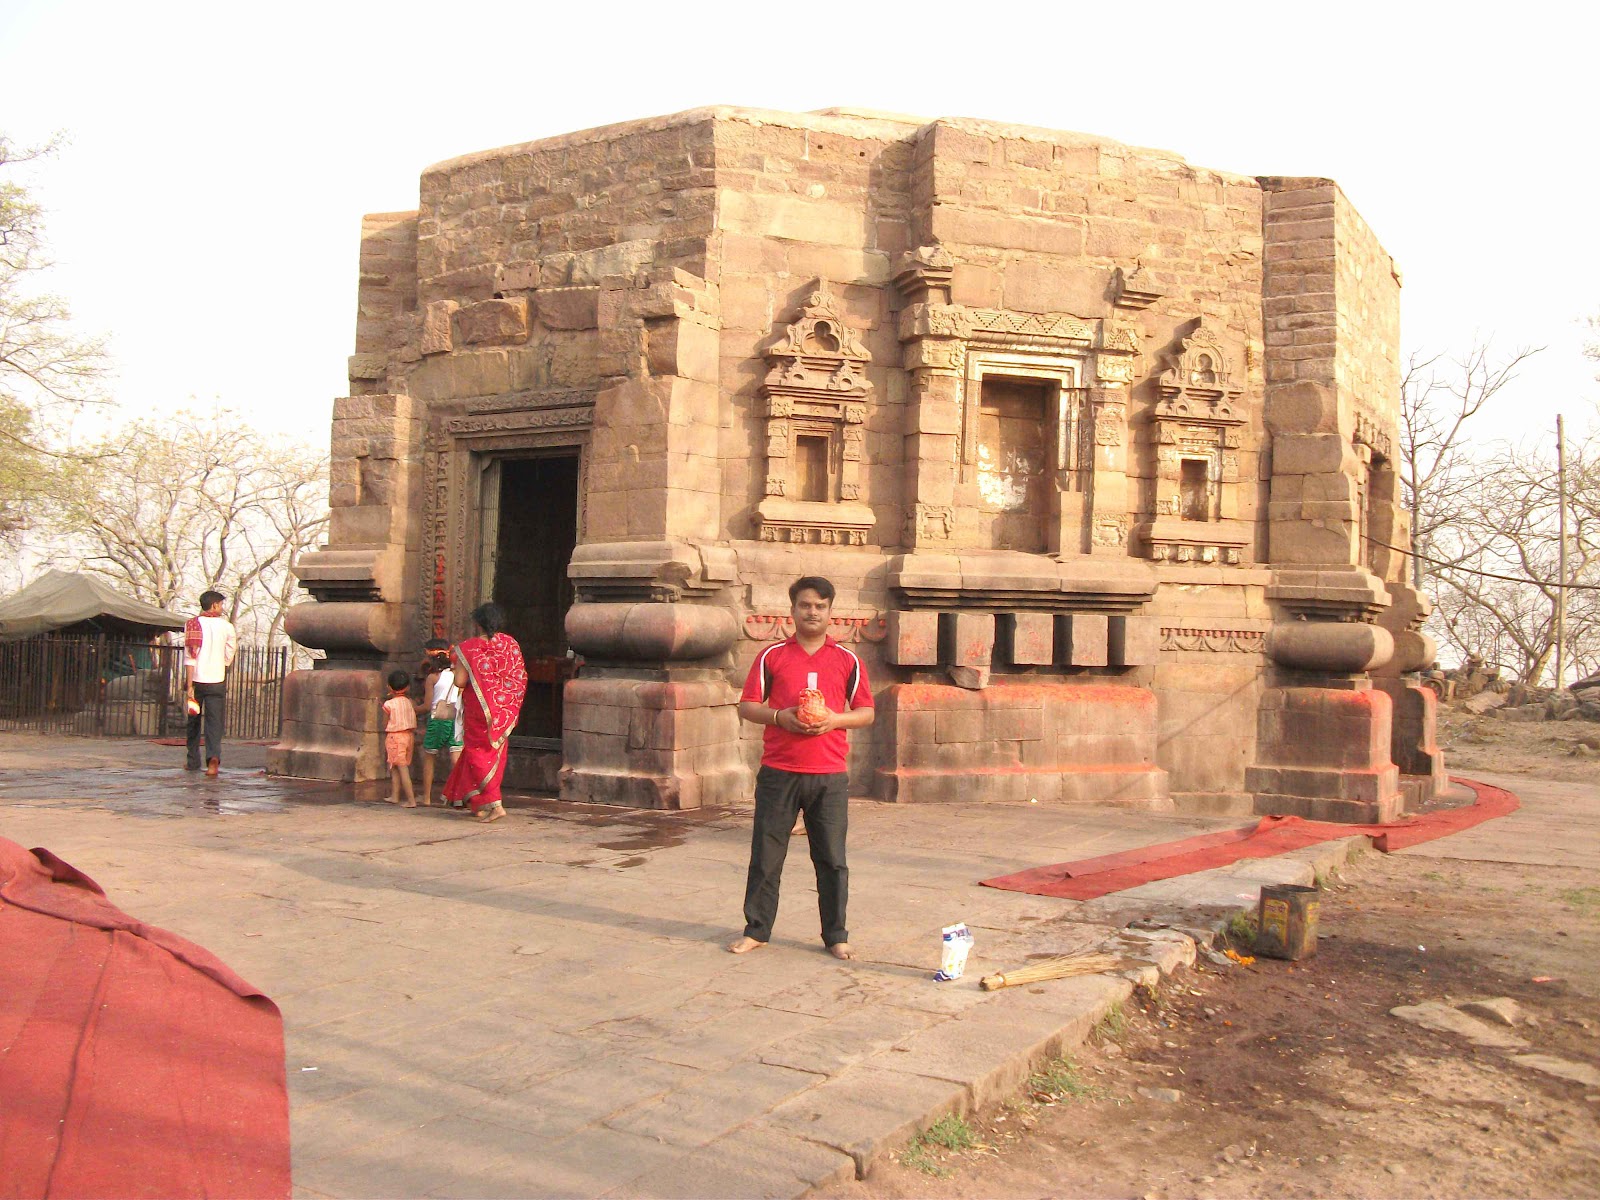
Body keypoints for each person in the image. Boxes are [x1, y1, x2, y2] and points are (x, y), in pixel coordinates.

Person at [728, 576, 874, 960]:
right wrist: (781, 716)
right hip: (779, 771)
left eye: (820, 606)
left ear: (830, 612)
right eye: (805, 605)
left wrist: (834, 720)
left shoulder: (848, 660)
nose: (812, 612)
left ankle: (836, 935)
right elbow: (748, 706)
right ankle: (757, 930)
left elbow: (866, 712)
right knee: (766, 856)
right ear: (792, 610)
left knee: (832, 859)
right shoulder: (772, 656)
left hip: (829, 774)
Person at [441, 603, 527, 823]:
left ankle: (495, 804)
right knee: (494, 754)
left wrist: (456, 670)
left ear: (478, 623)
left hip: (478, 711)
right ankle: (478, 803)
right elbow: (518, 676)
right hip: (503, 711)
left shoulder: (468, 648)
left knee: (476, 753)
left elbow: (460, 681)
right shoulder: (510, 644)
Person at [184, 590, 238, 777]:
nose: (222, 608)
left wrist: (189, 685)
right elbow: (231, 650)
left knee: (193, 721)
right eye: (221, 604)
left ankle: (192, 760)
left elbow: (190, 657)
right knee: (214, 722)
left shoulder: (192, 624)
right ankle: (213, 758)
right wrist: (224, 664)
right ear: (214, 605)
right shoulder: (227, 627)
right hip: (217, 680)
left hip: (197, 680)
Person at [418, 638, 464, 806]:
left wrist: (410, 709)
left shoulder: (432, 678)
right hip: (457, 719)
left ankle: (426, 798)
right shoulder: (457, 674)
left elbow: (426, 706)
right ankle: (458, 797)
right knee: (456, 759)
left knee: (429, 757)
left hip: (438, 719)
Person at [382, 670, 418, 807]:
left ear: (389, 687)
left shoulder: (389, 704)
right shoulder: (410, 702)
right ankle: (395, 796)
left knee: (401, 768)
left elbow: (385, 722)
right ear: (407, 687)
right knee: (396, 766)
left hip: (395, 737)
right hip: (409, 736)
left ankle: (411, 800)